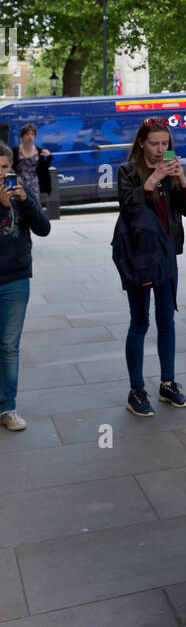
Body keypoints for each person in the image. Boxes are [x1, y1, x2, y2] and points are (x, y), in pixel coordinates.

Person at [116, 117, 186, 417]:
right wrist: (152, 179)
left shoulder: (171, 171)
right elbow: (126, 206)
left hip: (166, 255)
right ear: (142, 144)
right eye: (155, 144)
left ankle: (168, 382)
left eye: (165, 144)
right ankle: (136, 389)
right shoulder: (128, 171)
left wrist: (181, 180)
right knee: (140, 322)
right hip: (138, 256)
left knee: (167, 322)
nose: (161, 150)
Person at [0, 140, 51, 431]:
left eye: (5, 167)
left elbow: (43, 228)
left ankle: (8, 407)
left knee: (8, 347)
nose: (2, 173)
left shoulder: (21, 191)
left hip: (16, 279)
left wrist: (24, 200)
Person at [12, 123, 53, 206]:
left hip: (34, 183)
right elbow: (10, 165)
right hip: (19, 183)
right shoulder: (15, 150)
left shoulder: (38, 150)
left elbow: (44, 167)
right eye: (27, 134)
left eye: (32, 134)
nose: (30, 136)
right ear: (22, 136)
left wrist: (49, 156)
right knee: (19, 205)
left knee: (35, 206)